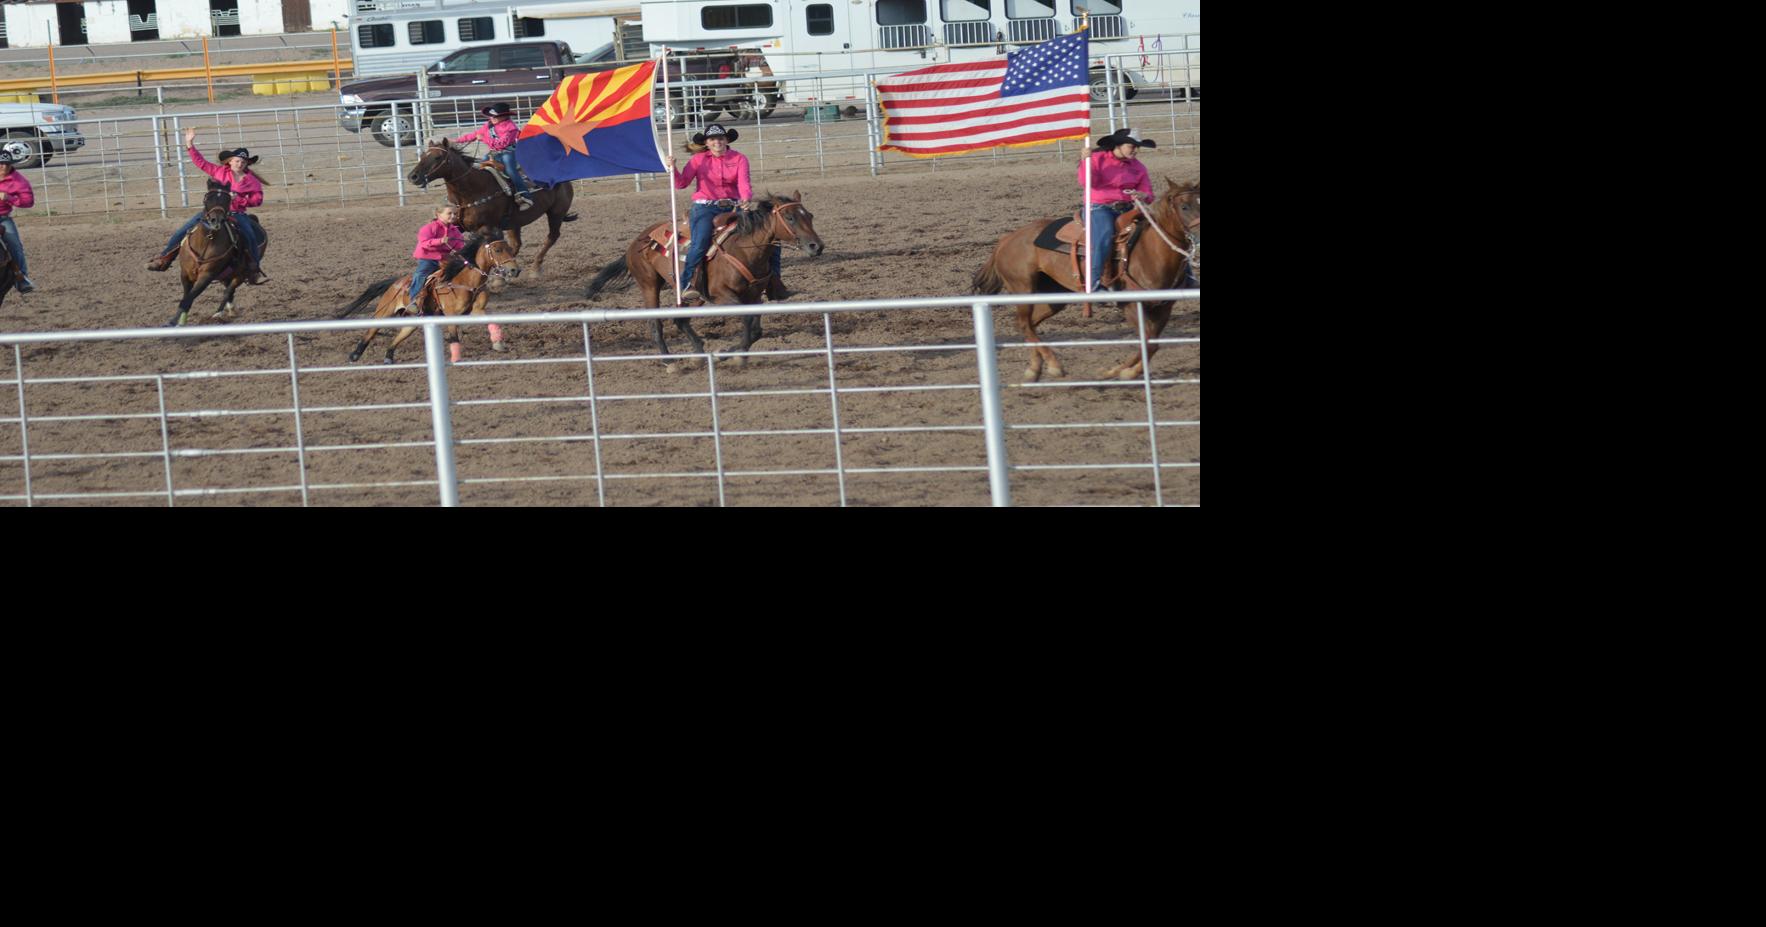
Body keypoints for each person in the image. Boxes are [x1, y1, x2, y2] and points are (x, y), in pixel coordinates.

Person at [664, 123, 784, 302]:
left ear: (727, 140)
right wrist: (673, 169)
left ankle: (775, 283)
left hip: (734, 206)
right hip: (705, 208)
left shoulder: (739, 158)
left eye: (720, 138)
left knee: (770, 237)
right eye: (712, 139)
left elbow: (743, 182)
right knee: (700, 242)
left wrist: (746, 198)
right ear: (706, 143)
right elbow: (681, 184)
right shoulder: (698, 160)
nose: (717, 142)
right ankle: (687, 282)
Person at [147, 129, 266, 284]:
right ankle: (164, 258)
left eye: (243, 162)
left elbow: (257, 200)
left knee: (250, 236)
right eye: (237, 161)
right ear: (230, 161)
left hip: (236, 213)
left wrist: (239, 200)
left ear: (247, 164)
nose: (240, 164)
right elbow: (200, 162)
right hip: (212, 212)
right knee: (183, 231)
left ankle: (254, 270)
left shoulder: (251, 180)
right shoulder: (218, 171)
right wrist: (189, 144)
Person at [1079, 128, 1156, 292]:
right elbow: (1087, 182)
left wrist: (1143, 195)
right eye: (1132, 146)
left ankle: (1186, 274)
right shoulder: (1096, 159)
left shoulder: (1138, 167)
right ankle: (1093, 283)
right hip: (1099, 207)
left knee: (1160, 229)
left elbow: (1148, 193)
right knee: (1104, 236)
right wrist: (1085, 161)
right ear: (1118, 145)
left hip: (1127, 208)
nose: (1135, 150)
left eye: (1137, 147)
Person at [454, 102, 533, 210]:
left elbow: (502, 144)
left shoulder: (511, 128)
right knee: (480, 166)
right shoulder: (489, 124)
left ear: (504, 116)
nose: (492, 118)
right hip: (494, 153)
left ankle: (525, 195)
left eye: (495, 116)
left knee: (510, 170)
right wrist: (456, 141)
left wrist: (484, 138)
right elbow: (475, 134)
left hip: (508, 152)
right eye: (491, 116)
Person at [410, 204, 466, 313]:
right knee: (421, 274)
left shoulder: (455, 230)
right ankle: (413, 300)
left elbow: (459, 245)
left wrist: (462, 252)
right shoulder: (429, 228)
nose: (453, 216)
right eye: (449, 213)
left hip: (445, 258)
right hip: (428, 257)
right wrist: (439, 241)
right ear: (438, 214)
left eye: (455, 214)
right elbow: (424, 243)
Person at [0, 149, 37, 293]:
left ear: (11, 164)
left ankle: (21, 278)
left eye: (6, 163)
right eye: (0, 163)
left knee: (15, 244)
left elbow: (28, 202)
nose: (3, 166)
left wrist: (9, 198)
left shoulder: (19, 181)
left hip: (2, 217)